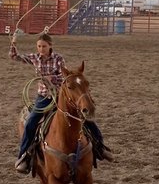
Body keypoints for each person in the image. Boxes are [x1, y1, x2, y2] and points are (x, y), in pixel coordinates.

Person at [9, 31, 108, 173]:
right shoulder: (35, 58)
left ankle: (100, 148)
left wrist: (52, 79)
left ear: (50, 46)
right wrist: (13, 42)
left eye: (43, 46)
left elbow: (66, 80)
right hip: (44, 97)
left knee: (87, 120)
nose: (41, 49)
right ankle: (23, 156)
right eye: (38, 46)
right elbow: (14, 57)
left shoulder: (58, 59)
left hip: (60, 97)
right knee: (31, 122)